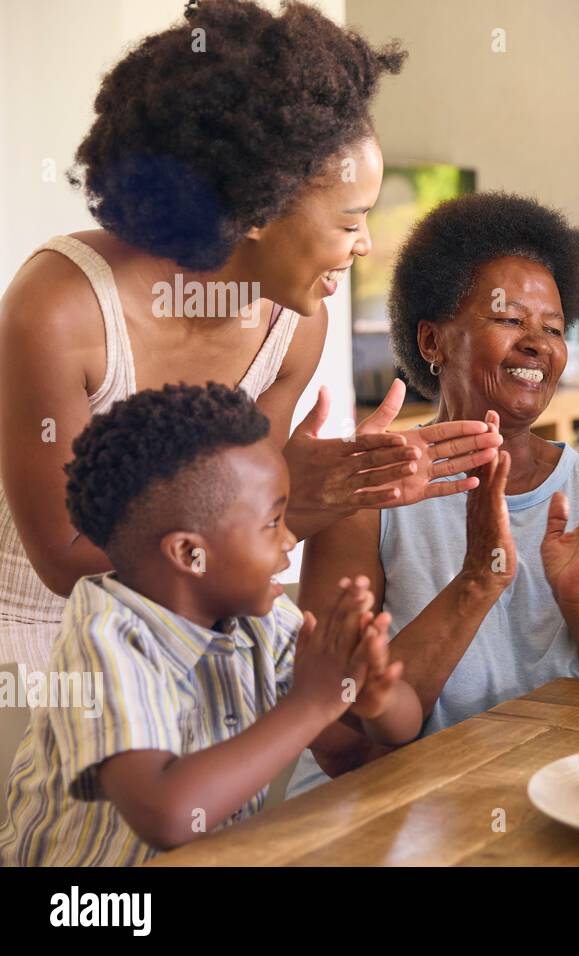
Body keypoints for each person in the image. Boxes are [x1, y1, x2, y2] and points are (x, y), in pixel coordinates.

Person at [0, 0, 500, 672]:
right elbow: (66, 560)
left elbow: (250, 528)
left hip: (193, 635)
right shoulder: (61, 310)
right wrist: (285, 500)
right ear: (256, 208)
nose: (365, 246)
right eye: (350, 222)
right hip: (44, 651)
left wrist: (341, 489)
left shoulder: (293, 328)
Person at [292, 194, 579, 787]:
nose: (537, 343)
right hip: (400, 810)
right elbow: (339, 748)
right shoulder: (372, 496)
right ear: (432, 342)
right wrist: (476, 581)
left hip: (554, 802)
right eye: (508, 319)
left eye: (552, 328)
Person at [0, 383, 421, 866]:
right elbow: (169, 814)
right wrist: (313, 703)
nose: (290, 539)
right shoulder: (104, 639)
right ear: (188, 553)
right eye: (272, 521)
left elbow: (400, 728)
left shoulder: (258, 618)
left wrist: (371, 692)